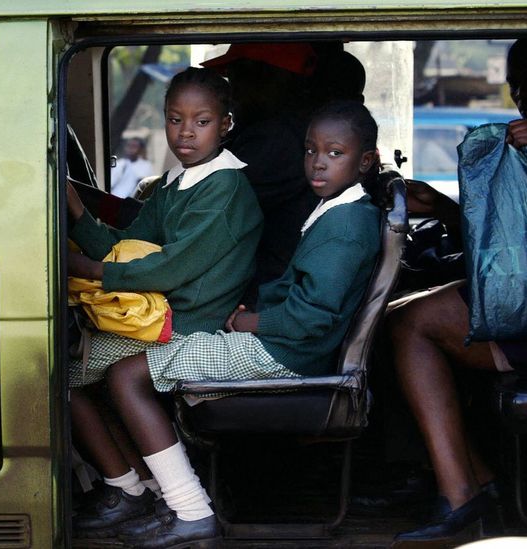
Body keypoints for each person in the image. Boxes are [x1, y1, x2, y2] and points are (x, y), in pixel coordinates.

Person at [94, 100, 384, 548]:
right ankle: (160, 499)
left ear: (365, 161)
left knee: (127, 376)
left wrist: (252, 321)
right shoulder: (338, 210)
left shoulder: (345, 226)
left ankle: (190, 512)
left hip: (284, 354)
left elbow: (312, 316)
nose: (318, 163)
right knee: (128, 372)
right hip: (284, 344)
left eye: (334, 153)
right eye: (310, 151)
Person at [66, 67, 263, 540]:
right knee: (79, 374)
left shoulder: (225, 188)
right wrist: (74, 208)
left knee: (65, 380)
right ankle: (148, 489)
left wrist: (87, 270)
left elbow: (169, 268)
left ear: (226, 125)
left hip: (192, 324)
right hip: (161, 315)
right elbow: (130, 242)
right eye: (176, 120)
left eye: (202, 121)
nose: (186, 132)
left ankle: (136, 491)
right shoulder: (178, 182)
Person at [387, 37, 527, 544]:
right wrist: (445, 209)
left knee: (414, 324)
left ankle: (464, 495)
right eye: (518, 85)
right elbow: (519, 240)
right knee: (402, 315)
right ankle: (469, 483)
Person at [201, 42, 321, 294]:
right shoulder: (264, 130)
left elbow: (204, 215)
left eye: (237, 79)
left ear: (270, 80)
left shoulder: (278, 141)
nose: (231, 95)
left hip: (259, 293)